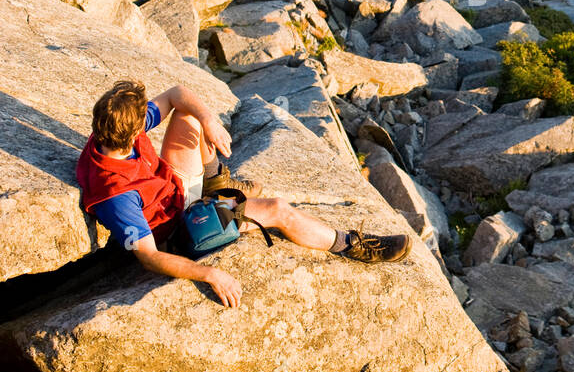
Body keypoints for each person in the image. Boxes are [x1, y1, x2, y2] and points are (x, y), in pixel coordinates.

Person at [76, 80, 410, 308]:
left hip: (172, 188)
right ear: (134, 132)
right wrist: (210, 273)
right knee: (278, 209)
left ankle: (217, 184)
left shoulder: (109, 134)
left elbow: (177, 93)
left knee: (189, 116)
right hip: (179, 230)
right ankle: (353, 245)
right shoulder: (116, 197)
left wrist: (210, 121)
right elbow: (149, 257)